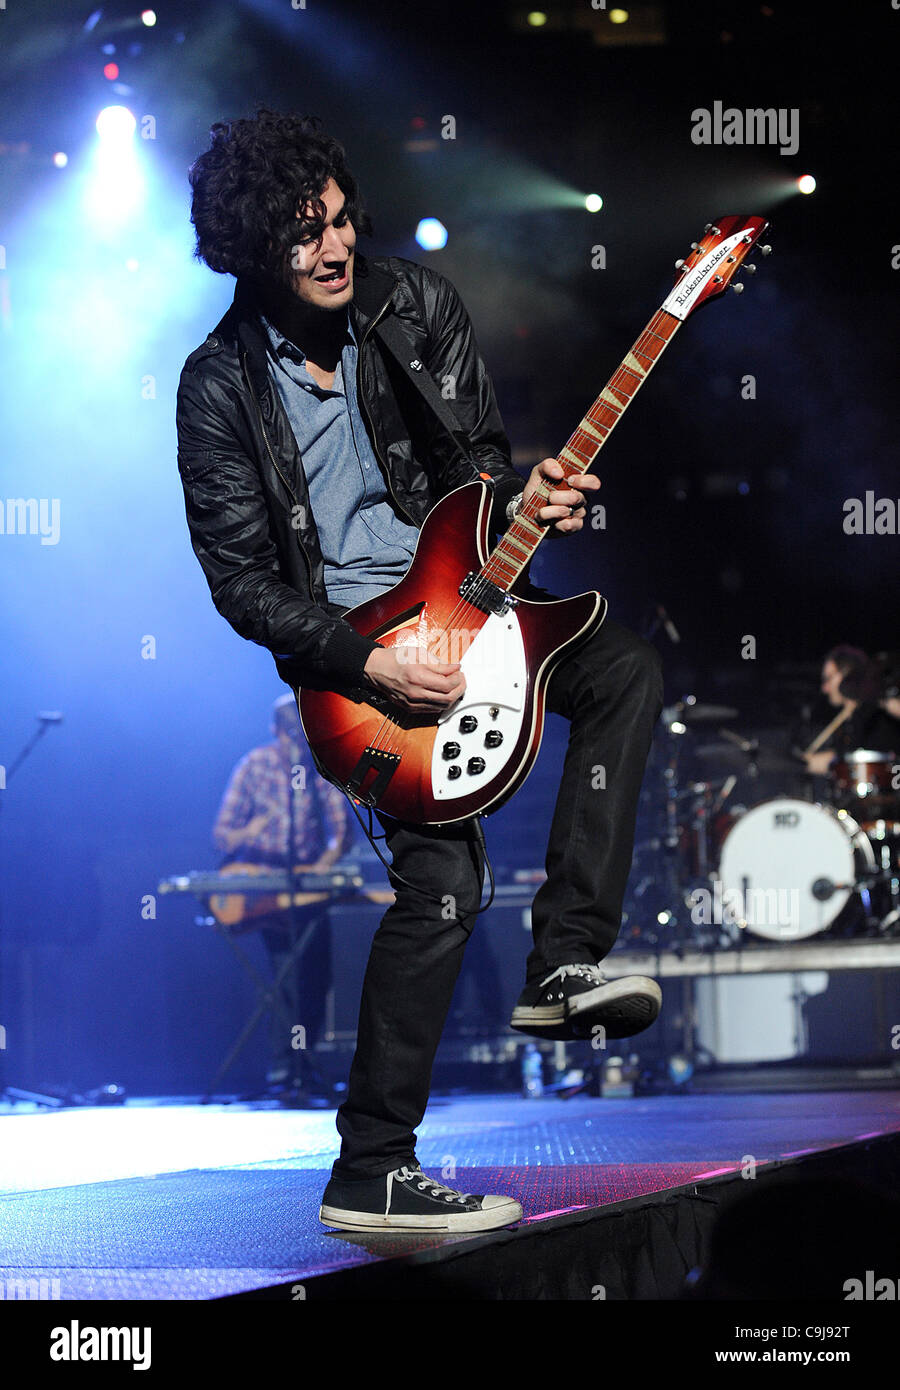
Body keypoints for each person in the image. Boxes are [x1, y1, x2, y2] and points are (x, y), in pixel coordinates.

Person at [177, 108, 663, 1232]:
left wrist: (535, 499)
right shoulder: (217, 389)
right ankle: (372, 1170)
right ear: (252, 248)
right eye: (304, 236)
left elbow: (480, 469)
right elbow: (241, 582)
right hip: (361, 670)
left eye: (342, 220)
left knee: (622, 669)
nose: (336, 248)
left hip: (475, 596)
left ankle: (566, 966)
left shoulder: (417, 305)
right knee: (442, 887)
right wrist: (371, 663)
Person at [213, 694, 349, 1103]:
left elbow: (340, 830)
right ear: (276, 732)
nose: (298, 745)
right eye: (292, 735)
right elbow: (222, 836)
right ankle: (284, 1069)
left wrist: (324, 864)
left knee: (317, 977)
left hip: (305, 889)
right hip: (262, 890)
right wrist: (253, 829)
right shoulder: (254, 766)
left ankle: (307, 1068)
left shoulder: (318, 767)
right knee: (285, 975)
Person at [803, 645, 899, 775]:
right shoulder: (843, 721)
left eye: (828, 678)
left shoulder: (880, 712)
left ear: (849, 674)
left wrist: (834, 761)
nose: (824, 688)